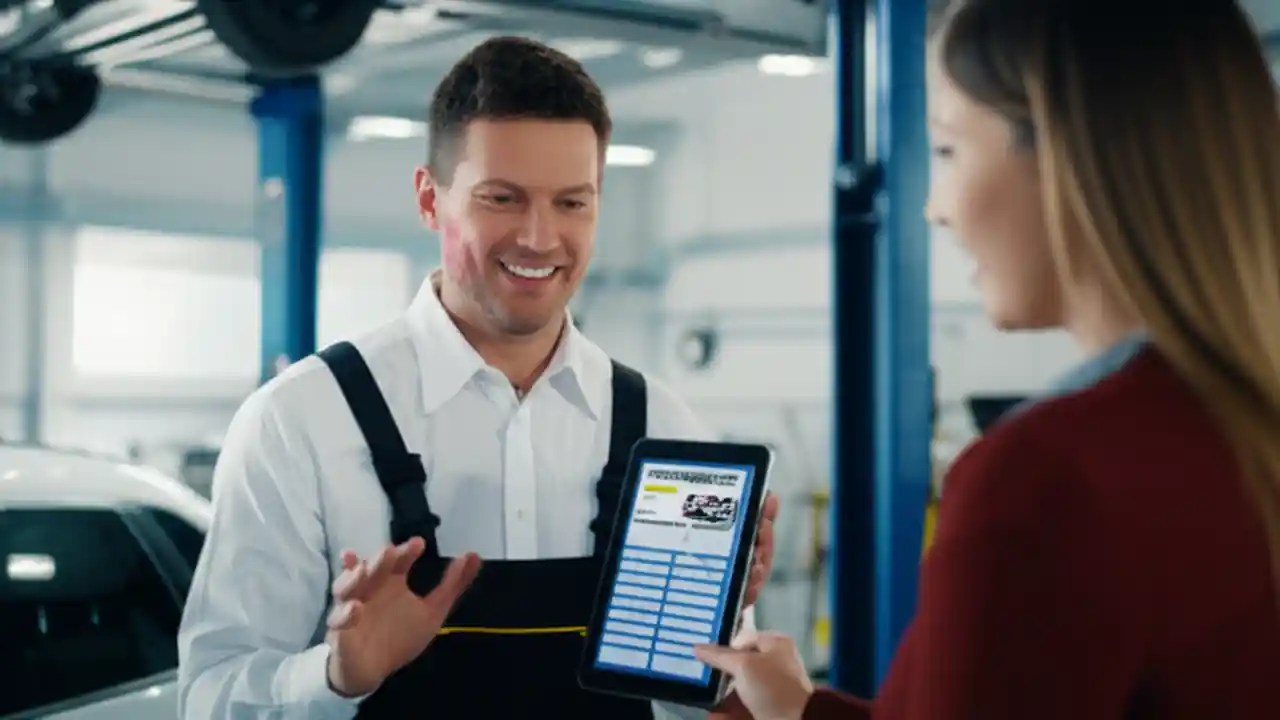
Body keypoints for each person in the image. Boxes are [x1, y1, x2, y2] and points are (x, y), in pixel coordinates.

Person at [695, 0, 1280, 717]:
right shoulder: (1239, 429)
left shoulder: (1046, 480)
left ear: (1068, 155)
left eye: (947, 150)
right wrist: (801, 711)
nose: (933, 208)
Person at [177, 36, 778, 720]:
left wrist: (719, 651)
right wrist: (336, 676)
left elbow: (692, 712)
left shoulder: (662, 429)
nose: (540, 237)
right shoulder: (301, 421)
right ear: (429, 200)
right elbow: (207, 701)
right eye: (502, 198)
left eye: (572, 203)